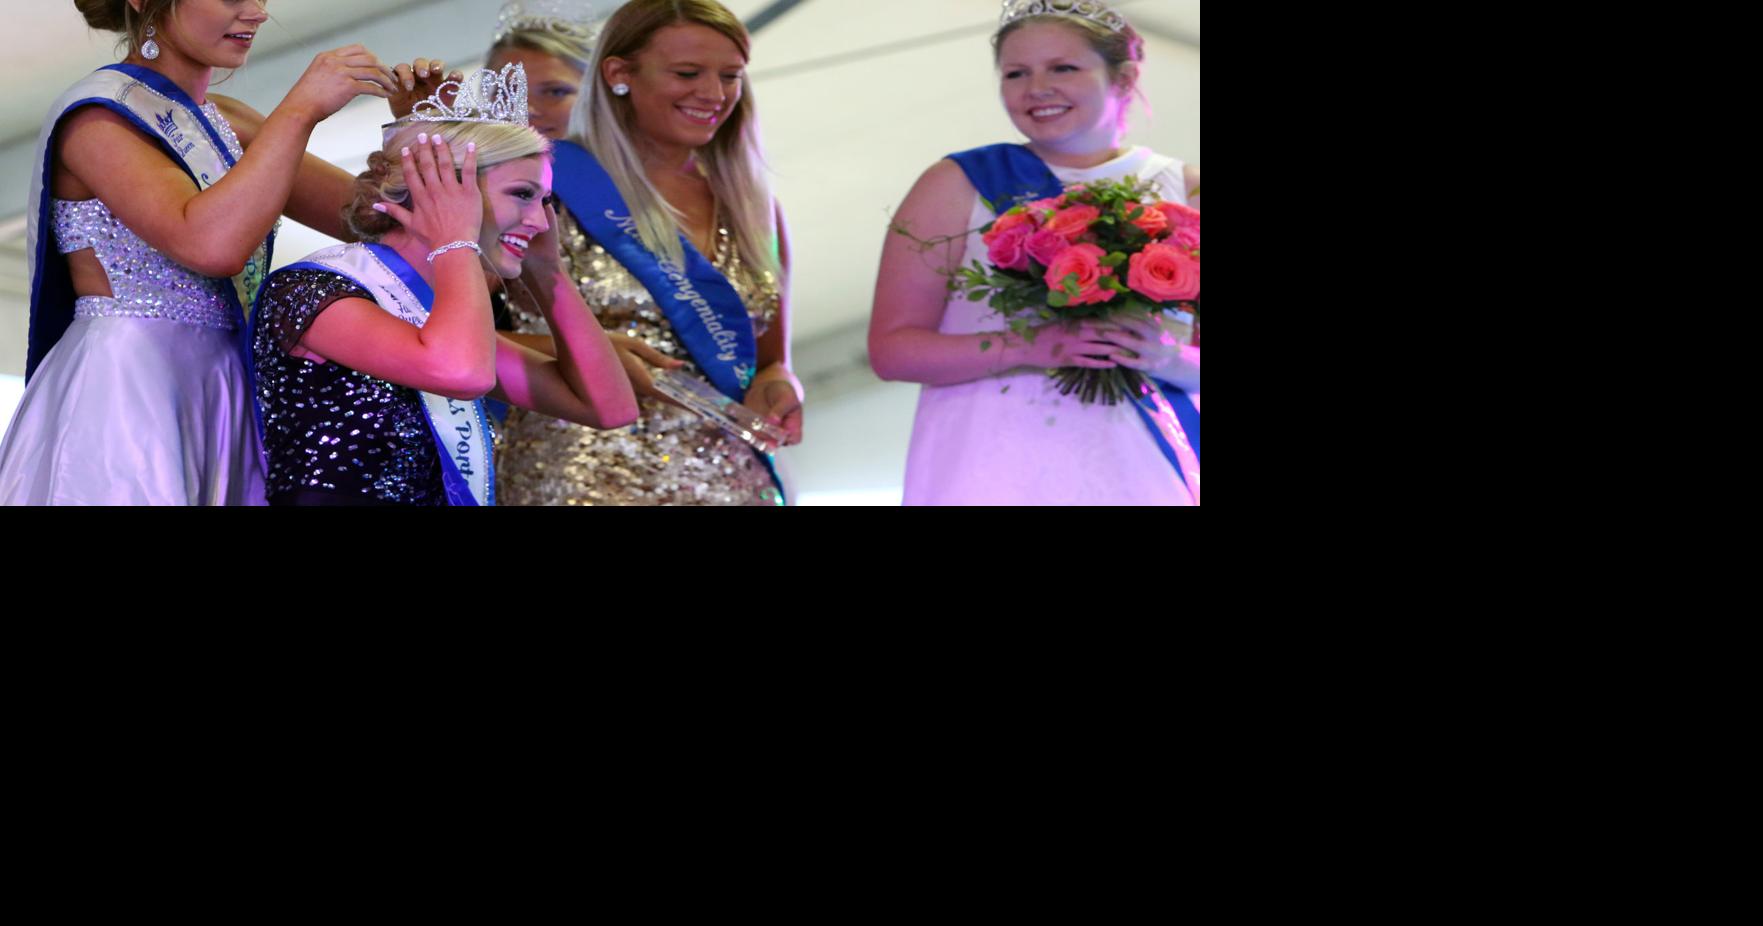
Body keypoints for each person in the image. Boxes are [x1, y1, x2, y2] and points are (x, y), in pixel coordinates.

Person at [0, 0, 441, 504]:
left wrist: (418, 130)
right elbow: (211, 244)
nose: (256, 12)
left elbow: (377, 224)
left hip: (228, 382)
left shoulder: (225, 119)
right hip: (131, 388)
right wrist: (300, 109)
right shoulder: (99, 119)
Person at [251, 64, 637, 506]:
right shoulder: (316, 291)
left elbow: (610, 408)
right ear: (446, 187)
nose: (541, 221)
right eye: (524, 195)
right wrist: (454, 238)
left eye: (545, 200)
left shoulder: (430, 313)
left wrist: (550, 275)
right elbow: (462, 372)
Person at [868, 0, 1201, 506]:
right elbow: (892, 350)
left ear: (1125, 76)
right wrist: (1034, 346)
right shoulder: (957, 184)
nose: (1036, 89)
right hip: (993, 460)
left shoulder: (1186, 190)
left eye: (1063, 68)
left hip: (1147, 464)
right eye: (1016, 73)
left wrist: (1167, 355)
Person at [490, 0, 801, 506]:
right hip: (580, 475)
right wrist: (590, 351)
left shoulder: (754, 208)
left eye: (731, 75)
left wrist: (780, 387)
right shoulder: (547, 186)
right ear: (618, 73)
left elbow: (772, 362)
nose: (713, 93)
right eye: (687, 73)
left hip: (731, 482)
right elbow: (445, 328)